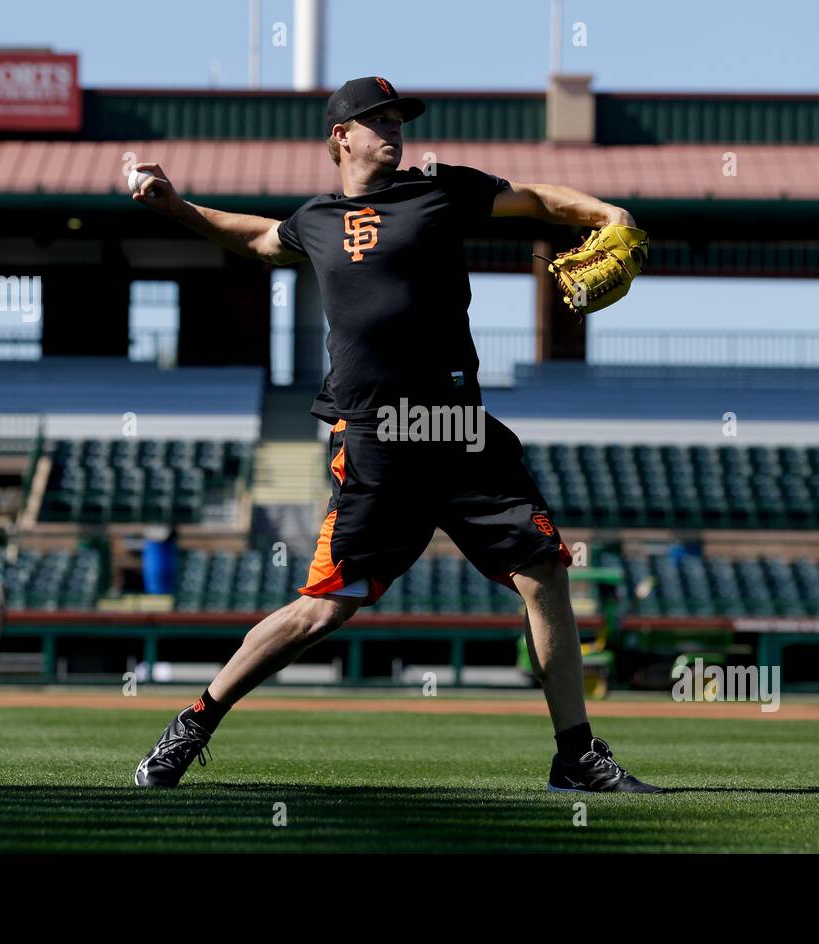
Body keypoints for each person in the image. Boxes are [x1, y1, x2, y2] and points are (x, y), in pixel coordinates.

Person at [130, 76, 659, 793]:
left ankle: (576, 756)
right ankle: (193, 724)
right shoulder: (316, 219)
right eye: (376, 118)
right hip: (378, 437)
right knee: (323, 609)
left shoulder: (438, 190)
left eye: (397, 117)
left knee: (544, 575)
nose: (393, 127)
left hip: (461, 428)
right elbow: (256, 237)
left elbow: (533, 199)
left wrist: (607, 211)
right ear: (340, 137)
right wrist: (176, 205)